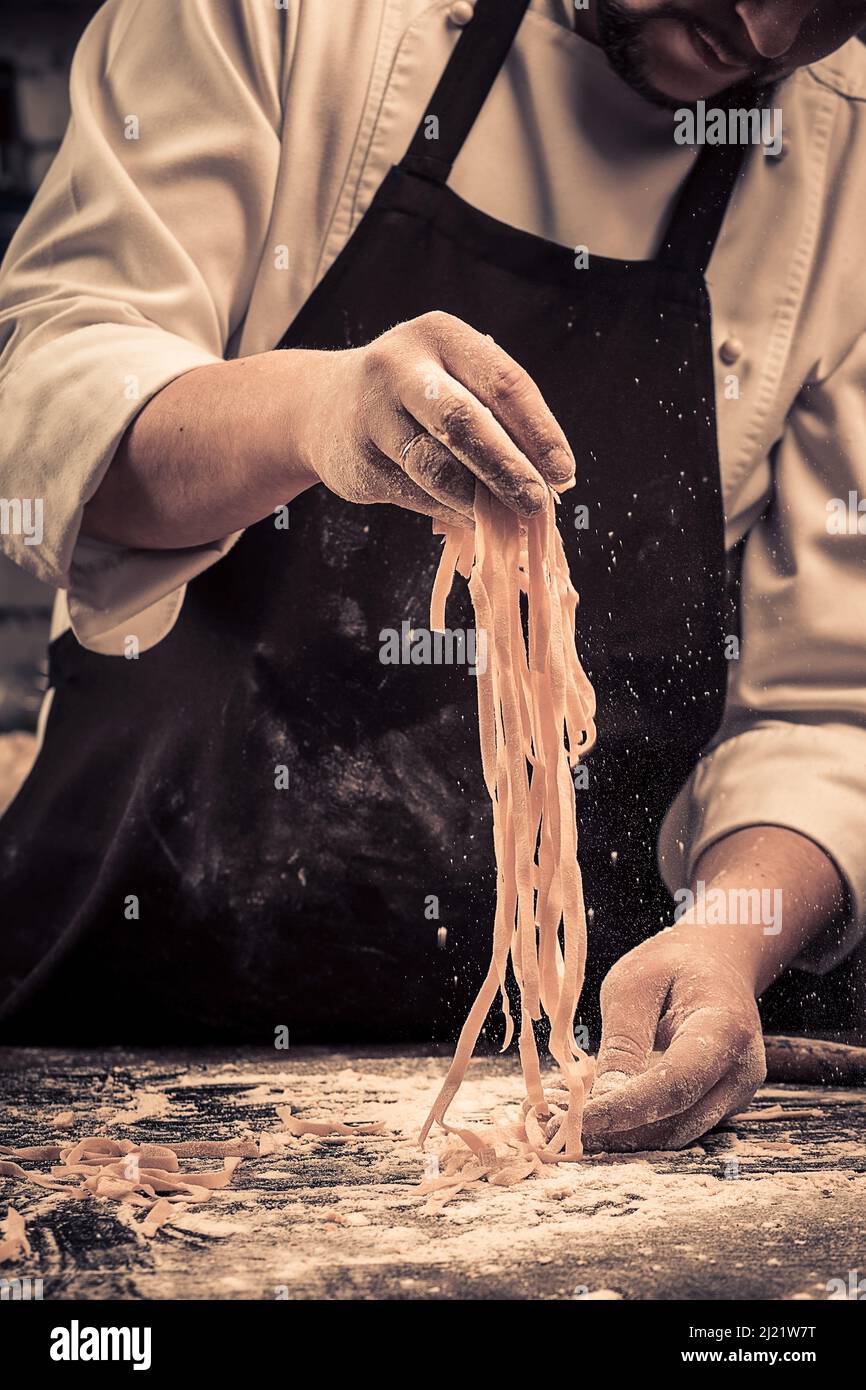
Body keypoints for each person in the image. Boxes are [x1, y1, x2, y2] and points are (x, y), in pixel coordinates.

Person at [0, 0, 865, 1150]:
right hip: (122, 1015)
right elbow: (50, 394)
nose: (761, 31)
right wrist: (312, 411)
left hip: (561, 1072)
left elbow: (821, 708)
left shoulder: (844, 154)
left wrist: (724, 941)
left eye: (836, 3)